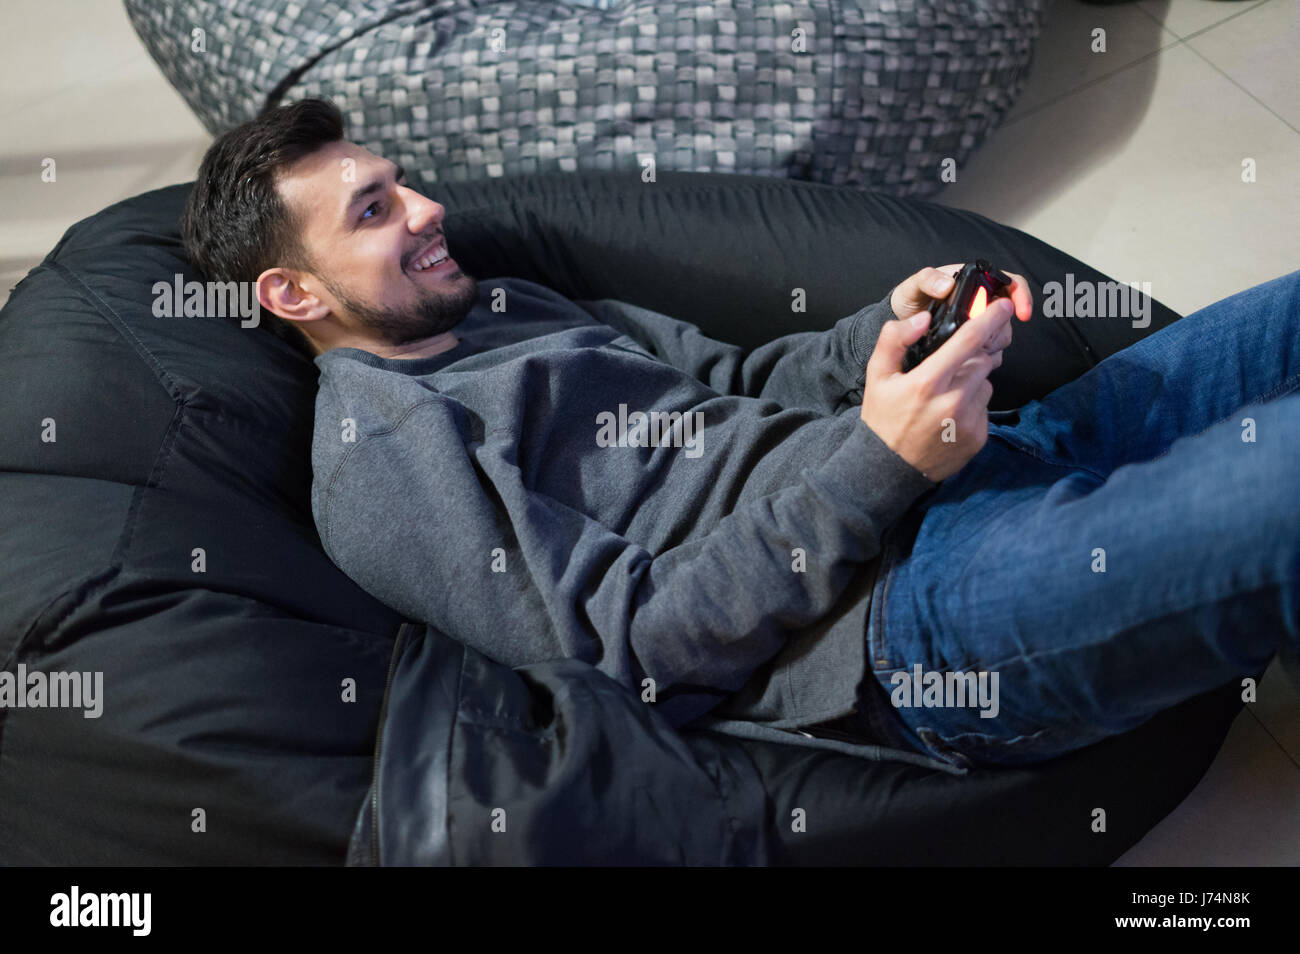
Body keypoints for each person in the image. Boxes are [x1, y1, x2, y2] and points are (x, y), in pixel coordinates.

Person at [181, 97, 1298, 771]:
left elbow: (741, 380)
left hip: (983, 449)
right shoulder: (384, 454)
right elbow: (631, 657)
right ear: (291, 294)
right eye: (374, 212)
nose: (426, 209)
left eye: (399, 183)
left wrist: (890, 324)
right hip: (908, 623)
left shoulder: (503, 304)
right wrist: (880, 460)